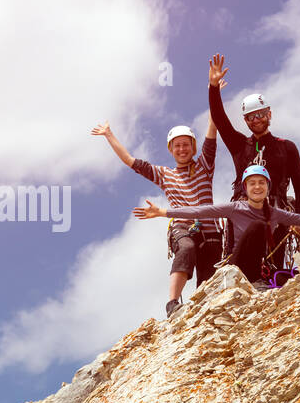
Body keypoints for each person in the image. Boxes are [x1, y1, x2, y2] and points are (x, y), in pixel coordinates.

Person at [92, 115, 221, 317]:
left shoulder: (205, 166)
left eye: (186, 145)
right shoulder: (164, 174)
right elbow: (130, 161)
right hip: (183, 227)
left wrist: (214, 92)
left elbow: (212, 131)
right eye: (177, 146)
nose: (182, 149)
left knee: (209, 272)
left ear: (193, 147)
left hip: (211, 231)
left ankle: (206, 308)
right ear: (171, 149)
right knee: (186, 248)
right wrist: (109, 134)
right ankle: (172, 304)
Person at [134, 165, 300, 291]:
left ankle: (259, 280)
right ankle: (254, 281)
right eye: (252, 183)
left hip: (258, 268)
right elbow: (200, 212)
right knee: (259, 226)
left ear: (268, 187)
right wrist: (162, 212)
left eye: (261, 183)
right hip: (236, 264)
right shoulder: (235, 208)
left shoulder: (275, 213)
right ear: (245, 188)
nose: (257, 187)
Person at [206, 53, 300, 276]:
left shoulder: (286, 147)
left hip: (278, 211)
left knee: (276, 265)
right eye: (250, 117)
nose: (256, 120)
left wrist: (299, 219)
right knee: (240, 263)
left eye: (260, 114)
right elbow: (220, 119)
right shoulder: (239, 145)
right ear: (245, 121)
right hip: (243, 211)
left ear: (269, 113)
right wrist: (213, 88)